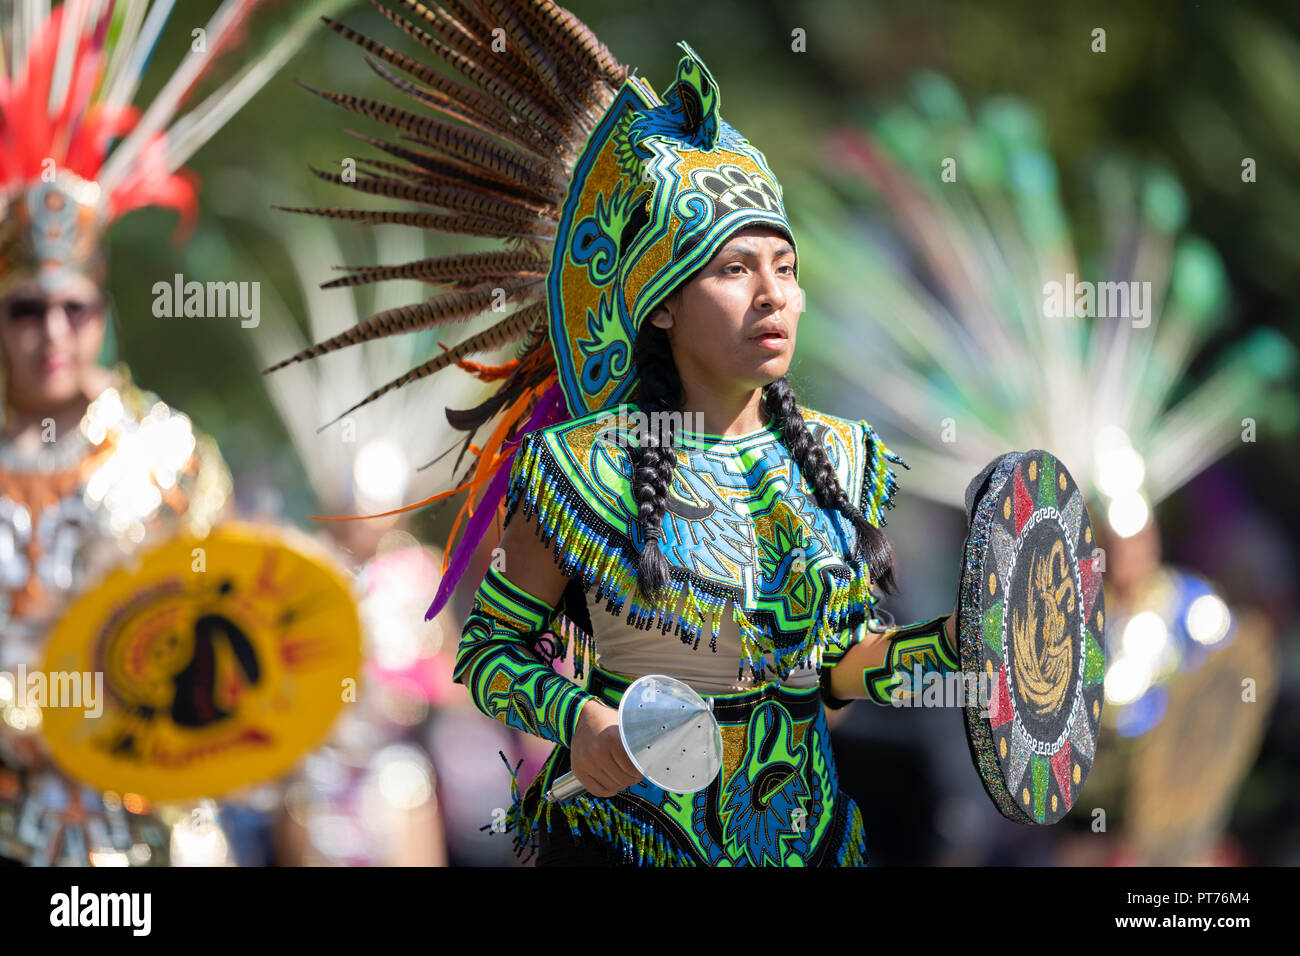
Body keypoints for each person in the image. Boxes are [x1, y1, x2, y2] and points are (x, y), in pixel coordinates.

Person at [266, 1, 962, 866]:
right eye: (735, 270)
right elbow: (490, 653)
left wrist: (952, 648)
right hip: (627, 842)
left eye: (785, 268)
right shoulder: (580, 471)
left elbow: (831, 676)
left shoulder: (842, 461)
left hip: (807, 843)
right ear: (663, 302)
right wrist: (582, 719)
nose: (773, 295)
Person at [0, 0, 318, 866]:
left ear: (101, 313)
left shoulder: (168, 456)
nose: (52, 332)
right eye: (27, 309)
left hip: (143, 822)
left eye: (74, 309)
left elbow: (228, 624)